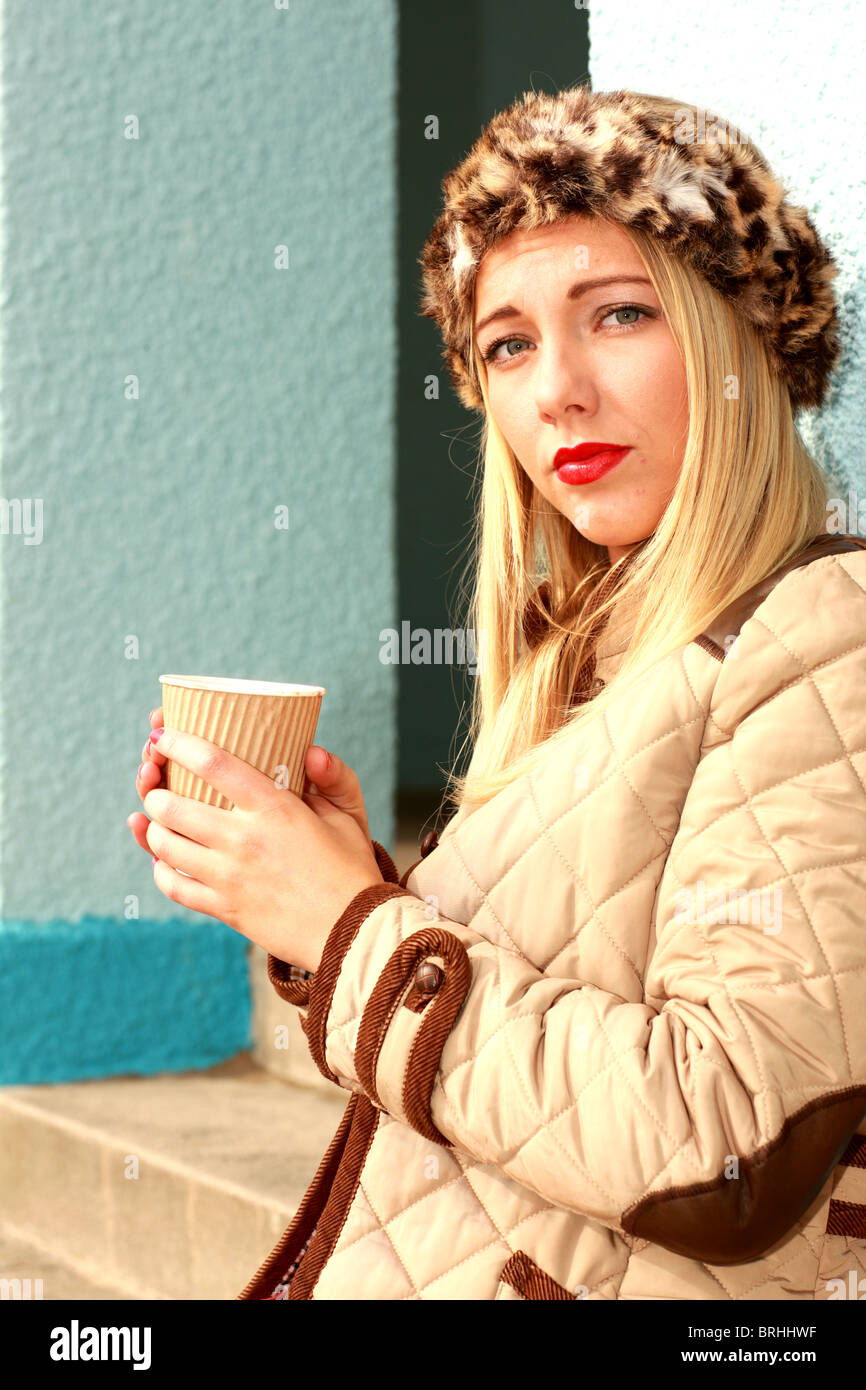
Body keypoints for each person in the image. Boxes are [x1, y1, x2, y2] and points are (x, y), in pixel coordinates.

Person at [129, 85, 866, 1300]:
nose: (554, 391)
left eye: (619, 313)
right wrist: (325, 884)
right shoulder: (596, 645)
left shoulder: (826, 638)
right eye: (508, 342)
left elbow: (722, 1148)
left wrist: (351, 928)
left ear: (740, 341)